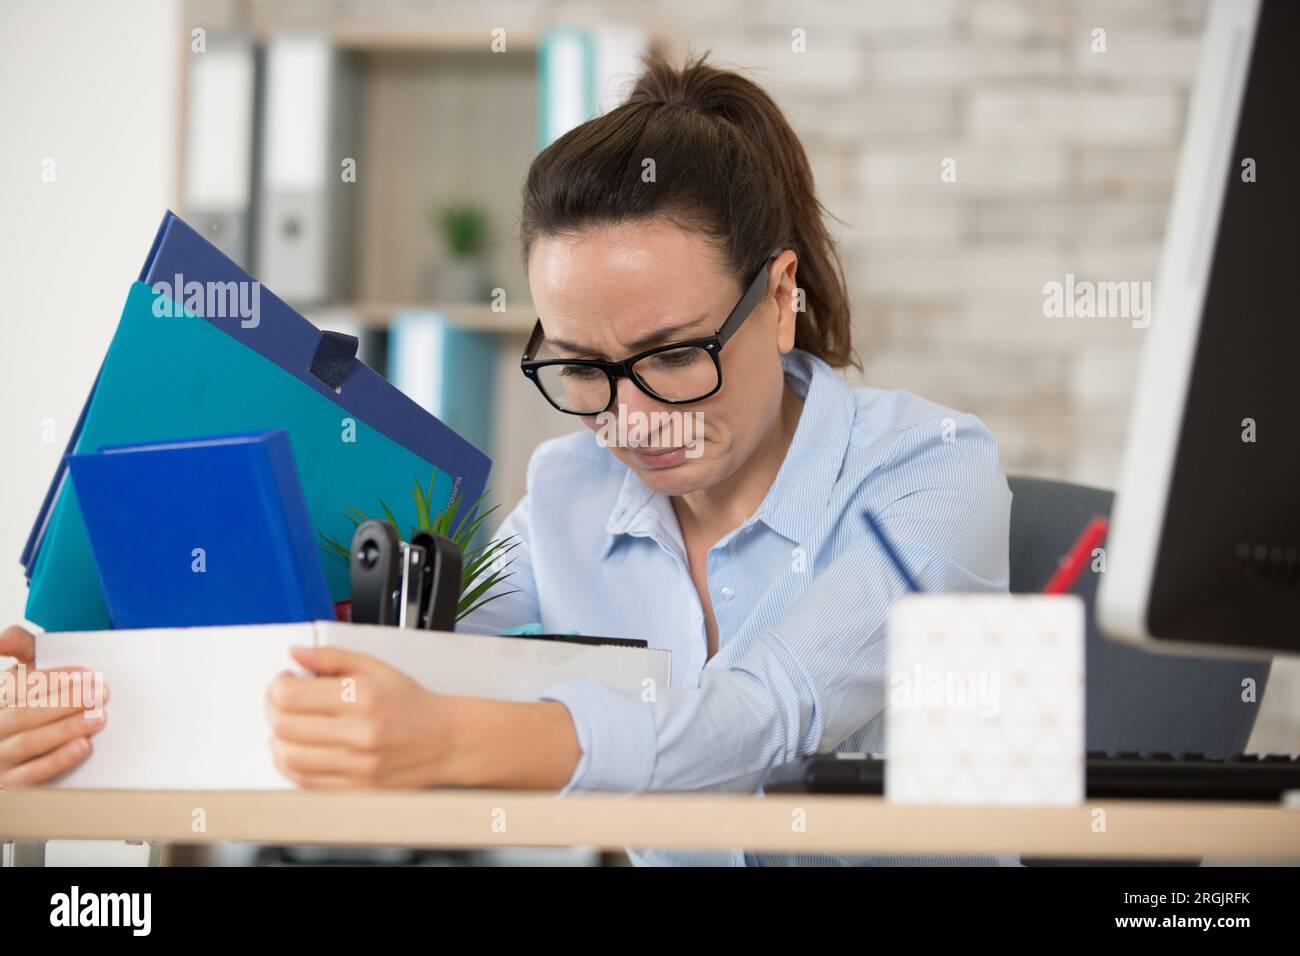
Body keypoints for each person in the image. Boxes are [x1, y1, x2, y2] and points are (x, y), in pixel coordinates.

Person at [0, 54, 1011, 865]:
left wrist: (453, 738)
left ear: (780, 292)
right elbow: (413, 659)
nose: (629, 419)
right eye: (582, 366)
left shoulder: (933, 472)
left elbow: (763, 715)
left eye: (670, 355)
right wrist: (86, 683)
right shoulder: (571, 495)